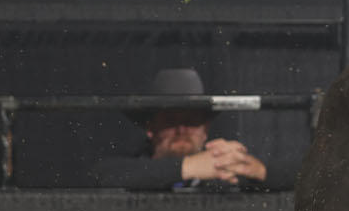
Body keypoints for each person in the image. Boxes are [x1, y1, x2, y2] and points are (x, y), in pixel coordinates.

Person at [92, 67, 288, 190]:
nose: (182, 129)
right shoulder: (128, 171)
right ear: (150, 128)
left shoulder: (224, 173)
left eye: (192, 121)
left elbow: (306, 179)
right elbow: (102, 175)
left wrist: (258, 170)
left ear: (205, 130)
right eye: (170, 120)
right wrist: (190, 167)